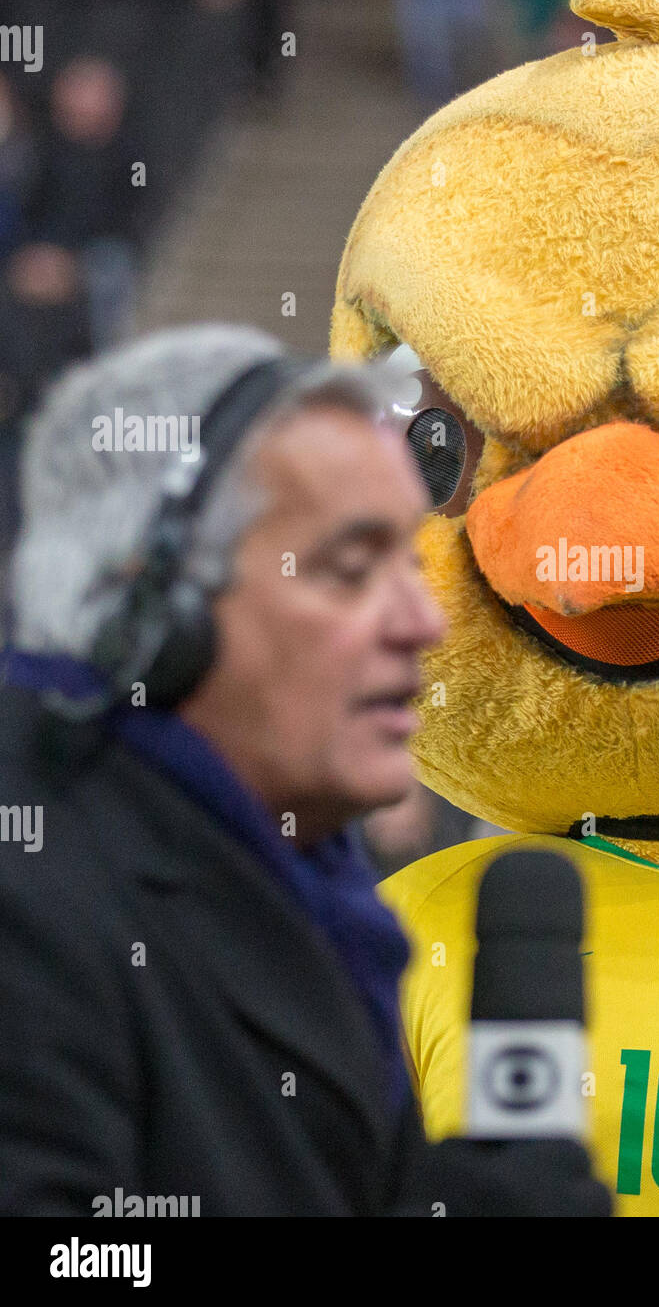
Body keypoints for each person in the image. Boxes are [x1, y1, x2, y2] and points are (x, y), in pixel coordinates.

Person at [0, 324, 609, 1216]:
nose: (421, 621)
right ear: (151, 606)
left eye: (408, 562)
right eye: (350, 568)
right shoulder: (28, 901)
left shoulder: (292, 886)